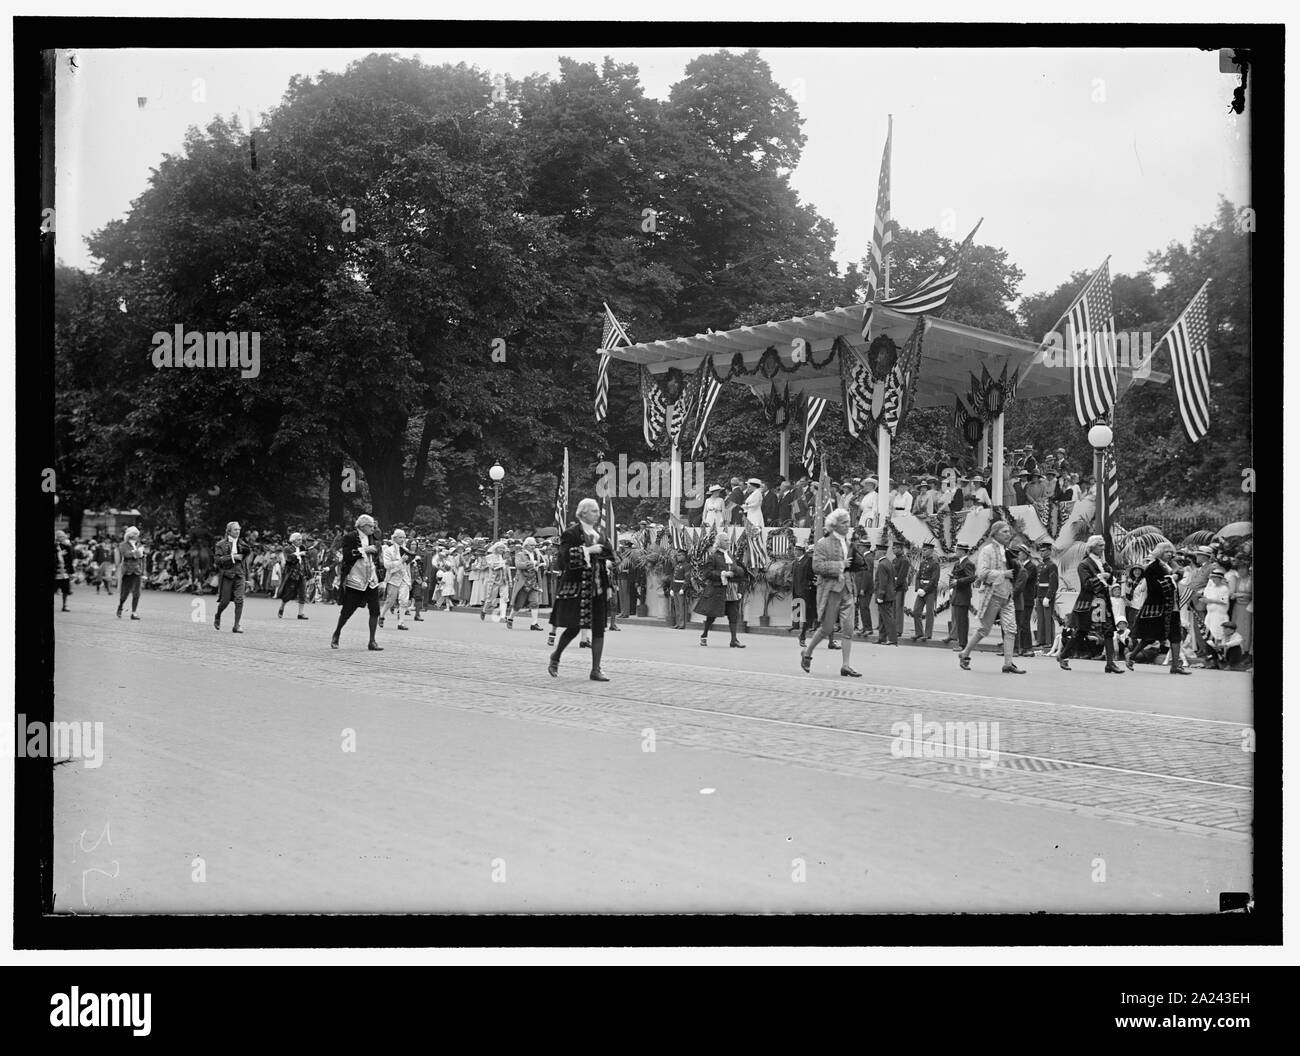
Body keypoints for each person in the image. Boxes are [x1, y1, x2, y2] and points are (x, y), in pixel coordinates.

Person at [548, 497, 615, 681]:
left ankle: (596, 669)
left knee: (599, 628)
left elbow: (610, 554)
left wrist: (607, 561)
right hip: (578, 588)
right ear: (583, 512)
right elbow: (562, 560)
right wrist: (588, 551)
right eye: (593, 511)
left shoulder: (600, 534)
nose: (597, 514)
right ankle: (556, 656)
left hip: (598, 588)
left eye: (596, 511)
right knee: (574, 627)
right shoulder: (571, 533)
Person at [800, 509, 863, 676]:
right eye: (843, 522)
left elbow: (852, 566)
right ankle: (807, 653)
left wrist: (857, 564)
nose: (847, 525)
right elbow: (817, 567)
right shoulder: (823, 543)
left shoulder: (850, 544)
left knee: (848, 629)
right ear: (834, 525)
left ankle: (846, 665)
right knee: (827, 628)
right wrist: (840, 565)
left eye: (848, 522)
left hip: (847, 589)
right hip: (831, 591)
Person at [957, 521, 1024, 673]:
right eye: (1004, 532)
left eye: (1008, 531)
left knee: (1011, 629)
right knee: (984, 630)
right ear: (995, 534)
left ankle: (1008, 663)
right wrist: (1003, 574)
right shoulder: (987, 550)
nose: (1008, 534)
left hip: (1007, 595)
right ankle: (964, 653)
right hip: (992, 595)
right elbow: (981, 574)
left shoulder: (1008, 551)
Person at [1058, 534, 1122, 673]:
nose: (1102, 548)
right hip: (1088, 603)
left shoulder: (1103, 564)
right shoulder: (1084, 564)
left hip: (1103, 602)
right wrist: (1100, 577)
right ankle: (1063, 655)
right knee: (1082, 631)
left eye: (1103, 545)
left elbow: (1111, 582)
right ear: (1092, 547)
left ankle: (1110, 663)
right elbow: (1086, 584)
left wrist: (1108, 575)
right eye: (1100, 545)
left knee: (1108, 631)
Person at [331, 513, 384, 651]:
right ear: (363, 526)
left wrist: (381, 579)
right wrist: (364, 550)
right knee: (347, 610)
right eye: (371, 526)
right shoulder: (350, 537)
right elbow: (347, 556)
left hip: (371, 579)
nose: (373, 529)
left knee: (375, 610)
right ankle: (337, 633)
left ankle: (372, 641)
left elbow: (378, 559)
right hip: (355, 578)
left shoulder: (373, 537)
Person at [695, 532, 747, 648]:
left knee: (733, 614)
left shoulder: (731, 555)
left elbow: (737, 571)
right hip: (717, 590)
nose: (728, 542)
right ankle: (704, 635)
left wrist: (736, 572)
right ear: (719, 542)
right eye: (725, 540)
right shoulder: (713, 556)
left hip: (731, 590)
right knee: (712, 615)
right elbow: (707, 573)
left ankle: (734, 640)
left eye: (729, 540)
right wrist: (722, 574)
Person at [213, 521, 249, 633]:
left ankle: (236, 625)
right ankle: (218, 615)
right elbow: (217, 560)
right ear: (229, 531)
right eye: (235, 529)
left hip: (240, 575)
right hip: (227, 575)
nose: (238, 531)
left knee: (239, 599)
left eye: (239, 529)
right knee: (225, 601)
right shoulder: (220, 544)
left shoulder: (243, 544)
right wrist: (232, 557)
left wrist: (248, 578)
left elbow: (245, 562)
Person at [381, 529, 413, 631]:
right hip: (393, 577)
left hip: (404, 577)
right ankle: (381, 615)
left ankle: (401, 622)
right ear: (394, 538)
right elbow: (387, 565)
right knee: (390, 600)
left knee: (404, 601)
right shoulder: (388, 550)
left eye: (404, 537)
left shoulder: (406, 550)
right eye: (400, 537)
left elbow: (407, 566)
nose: (402, 539)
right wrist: (400, 561)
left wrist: (409, 579)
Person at [510, 537, 545, 630]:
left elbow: (544, 563)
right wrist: (531, 563)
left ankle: (534, 623)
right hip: (524, 583)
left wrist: (540, 563)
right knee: (518, 604)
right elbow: (518, 565)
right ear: (526, 545)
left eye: (535, 545)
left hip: (534, 582)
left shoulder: (537, 554)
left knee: (535, 603)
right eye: (531, 545)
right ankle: (510, 618)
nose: (533, 547)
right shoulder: (520, 554)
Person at [948, 542, 976, 650]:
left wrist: (958, 581)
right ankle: (961, 643)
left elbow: (972, 577)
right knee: (958, 620)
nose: (956, 551)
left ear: (963, 551)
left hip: (963, 595)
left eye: (958, 550)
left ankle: (963, 645)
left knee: (962, 621)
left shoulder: (968, 563)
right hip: (956, 594)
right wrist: (953, 582)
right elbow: (955, 575)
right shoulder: (958, 563)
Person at [277, 532, 311, 620]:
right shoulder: (287, 549)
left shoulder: (303, 548)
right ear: (293, 540)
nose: (300, 541)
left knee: (303, 593)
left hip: (301, 574)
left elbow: (306, 562)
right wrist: (299, 554)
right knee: (289, 594)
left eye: (301, 539)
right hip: (292, 574)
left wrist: (310, 575)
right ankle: (282, 606)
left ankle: (300, 613)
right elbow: (288, 559)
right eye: (298, 539)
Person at [911, 540, 940, 641]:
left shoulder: (935, 564)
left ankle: (927, 634)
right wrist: (918, 588)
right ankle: (919, 633)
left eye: (925, 550)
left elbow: (934, 579)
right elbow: (918, 577)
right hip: (921, 590)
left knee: (929, 613)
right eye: (923, 549)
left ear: (931, 551)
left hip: (930, 591)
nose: (923, 551)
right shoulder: (923, 563)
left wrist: (925, 590)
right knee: (916, 611)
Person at [116, 527, 145, 620]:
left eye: (137, 534)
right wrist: (136, 552)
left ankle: (134, 612)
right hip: (127, 571)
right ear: (129, 535)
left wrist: (143, 572)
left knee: (137, 593)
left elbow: (141, 558)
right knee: (124, 593)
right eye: (135, 534)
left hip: (137, 571)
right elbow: (126, 554)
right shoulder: (123, 544)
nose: (137, 536)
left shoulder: (139, 544)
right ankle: (120, 606)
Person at [1226, 556, 1253, 657]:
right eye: (1239, 568)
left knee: (1246, 629)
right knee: (1236, 629)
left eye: (1243, 568)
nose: (1241, 570)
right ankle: (1236, 650)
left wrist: (1242, 595)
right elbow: (1232, 593)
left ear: (1247, 569)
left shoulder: (1250, 580)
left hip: (1247, 608)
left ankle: (1245, 650)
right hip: (1237, 607)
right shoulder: (1237, 580)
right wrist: (1233, 595)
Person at [1035, 541, 1060, 650]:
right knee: (1040, 618)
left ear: (1049, 551)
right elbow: (1037, 582)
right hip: (1040, 594)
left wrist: (1049, 597)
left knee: (1047, 618)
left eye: (1044, 551)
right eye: (1040, 551)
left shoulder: (1052, 565)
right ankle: (1040, 640)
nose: (1042, 553)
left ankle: (1049, 641)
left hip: (1047, 595)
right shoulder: (1040, 565)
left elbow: (1054, 583)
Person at [873, 540, 898, 645]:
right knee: (882, 617)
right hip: (889, 594)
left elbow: (883, 582)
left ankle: (892, 639)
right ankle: (882, 637)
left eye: (877, 551)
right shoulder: (888, 562)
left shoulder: (882, 564)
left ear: (882, 552)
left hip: (885, 595)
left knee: (887, 618)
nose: (875, 553)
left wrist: (880, 595)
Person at [792, 542, 817, 648]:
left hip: (807, 589)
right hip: (799, 588)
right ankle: (796, 626)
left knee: (808, 612)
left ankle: (807, 629)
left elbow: (812, 575)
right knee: (798, 608)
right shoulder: (798, 561)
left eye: (796, 550)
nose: (795, 552)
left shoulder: (808, 561)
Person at [1202, 565, 1232, 644]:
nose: (1213, 579)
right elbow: (1206, 597)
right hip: (1210, 614)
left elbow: (1223, 600)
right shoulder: (1211, 588)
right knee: (1208, 634)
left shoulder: (1224, 588)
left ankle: (1219, 653)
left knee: (1218, 634)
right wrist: (1204, 600)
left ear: (1220, 578)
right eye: (1212, 577)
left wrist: (1211, 600)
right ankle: (1211, 653)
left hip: (1219, 615)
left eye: (1215, 577)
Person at [892, 542, 911, 639]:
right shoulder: (895, 560)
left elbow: (902, 576)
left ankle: (899, 630)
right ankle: (894, 628)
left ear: (900, 548)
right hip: (894, 586)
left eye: (895, 548)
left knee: (898, 609)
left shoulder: (904, 560)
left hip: (900, 587)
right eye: (893, 548)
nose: (893, 550)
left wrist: (894, 586)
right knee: (894, 609)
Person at [54, 530, 74, 612]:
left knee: (65, 590)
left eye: (63, 536)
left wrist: (71, 572)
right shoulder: (54, 546)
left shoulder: (66, 547)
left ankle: (65, 605)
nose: (62, 538)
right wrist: (58, 554)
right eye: (60, 537)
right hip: (55, 572)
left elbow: (70, 559)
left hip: (64, 572)